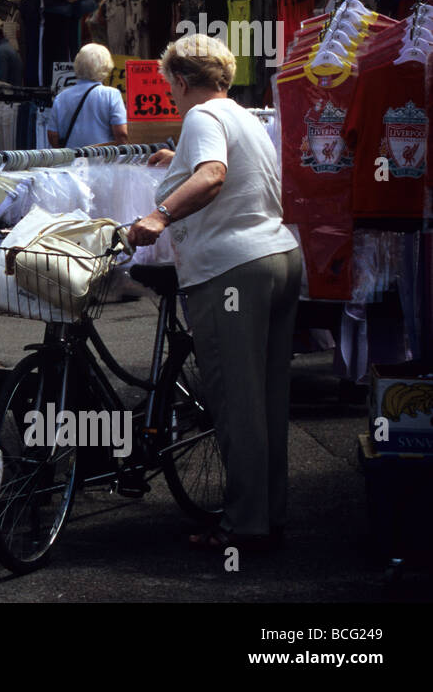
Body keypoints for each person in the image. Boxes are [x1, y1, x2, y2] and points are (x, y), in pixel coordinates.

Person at [127, 33, 302, 551]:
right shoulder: (242, 115)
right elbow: (219, 166)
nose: (173, 99)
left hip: (232, 270)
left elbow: (213, 174)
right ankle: (268, 516)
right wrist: (175, 159)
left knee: (237, 401)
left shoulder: (202, 118)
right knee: (269, 399)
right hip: (278, 256)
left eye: (172, 89)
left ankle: (243, 526)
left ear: (181, 82)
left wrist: (159, 214)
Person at [47, 43, 127, 148]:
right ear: (105, 67)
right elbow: (121, 133)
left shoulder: (61, 97)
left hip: (71, 161)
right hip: (103, 160)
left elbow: (52, 135)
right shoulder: (111, 95)